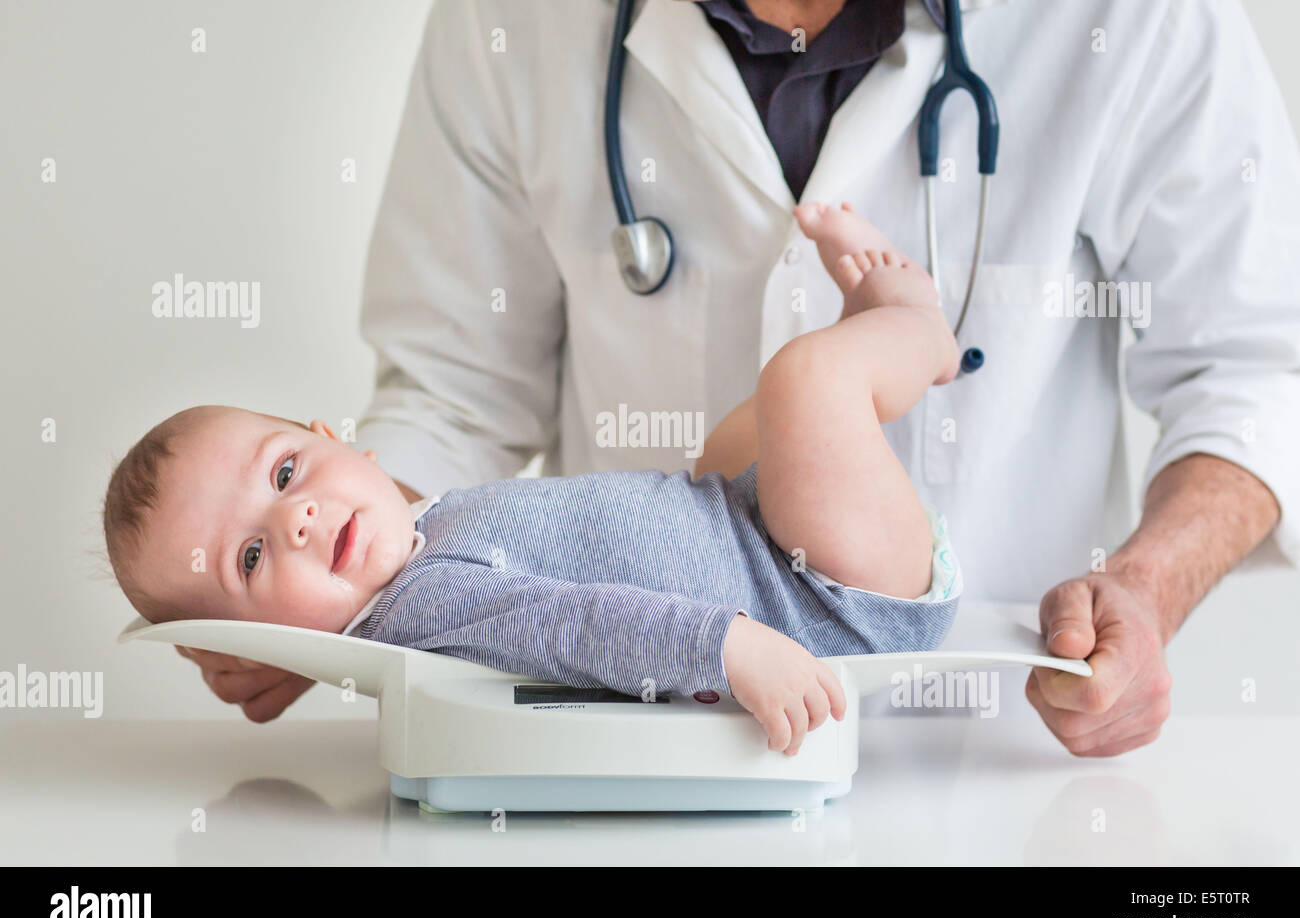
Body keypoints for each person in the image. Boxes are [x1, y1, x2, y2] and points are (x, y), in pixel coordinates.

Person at [181, 0, 1298, 757]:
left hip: (992, 729)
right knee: (749, 437)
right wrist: (312, 603)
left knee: (808, 390)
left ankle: (912, 331)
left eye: (286, 471)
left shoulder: (1134, 21)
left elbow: (1254, 368)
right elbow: (454, 390)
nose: (292, 512)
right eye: (251, 532)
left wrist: (1144, 590)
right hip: (652, 750)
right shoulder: (509, 21)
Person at [108, 202, 962, 755]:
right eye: (251, 559)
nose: (295, 519)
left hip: (756, 534)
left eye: (287, 470)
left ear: (342, 442)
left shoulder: (423, 540)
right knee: (801, 387)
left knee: (736, 438)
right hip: (824, 599)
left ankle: (862, 349)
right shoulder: (422, 605)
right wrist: (726, 647)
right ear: (263, 647)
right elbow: (580, 626)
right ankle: (913, 328)